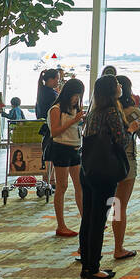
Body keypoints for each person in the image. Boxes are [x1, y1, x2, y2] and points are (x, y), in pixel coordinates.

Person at [77, 75, 140, 279]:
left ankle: (87, 264)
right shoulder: (112, 111)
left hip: (88, 168)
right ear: (112, 90)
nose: (121, 86)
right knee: (98, 220)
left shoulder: (94, 110)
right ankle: (94, 267)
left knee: (88, 218)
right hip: (104, 171)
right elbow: (121, 141)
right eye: (117, 84)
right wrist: (130, 130)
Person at [111, 75, 140, 262]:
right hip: (126, 160)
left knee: (106, 204)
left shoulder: (104, 110)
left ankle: (85, 246)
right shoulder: (132, 112)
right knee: (120, 206)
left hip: (105, 160)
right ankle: (118, 247)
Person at [46, 78, 86, 239]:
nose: (76, 99)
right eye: (75, 95)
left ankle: (86, 219)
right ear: (68, 93)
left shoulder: (75, 109)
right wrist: (74, 121)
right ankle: (61, 225)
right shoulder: (56, 109)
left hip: (75, 148)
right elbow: (55, 132)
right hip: (60, 148)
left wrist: (81, 122)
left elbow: (75, 129)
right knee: (62, 186)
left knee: (80, 186)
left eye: (79, 96)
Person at [34, 69, 59, 182]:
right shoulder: (51, 94)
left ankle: (49, 179)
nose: (58, 81)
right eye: (57, 78)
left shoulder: (42, 91)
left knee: (48, 152)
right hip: (50, 125)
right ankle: (48, 179)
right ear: (51, 79)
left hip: (43, 125)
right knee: (50, 153)